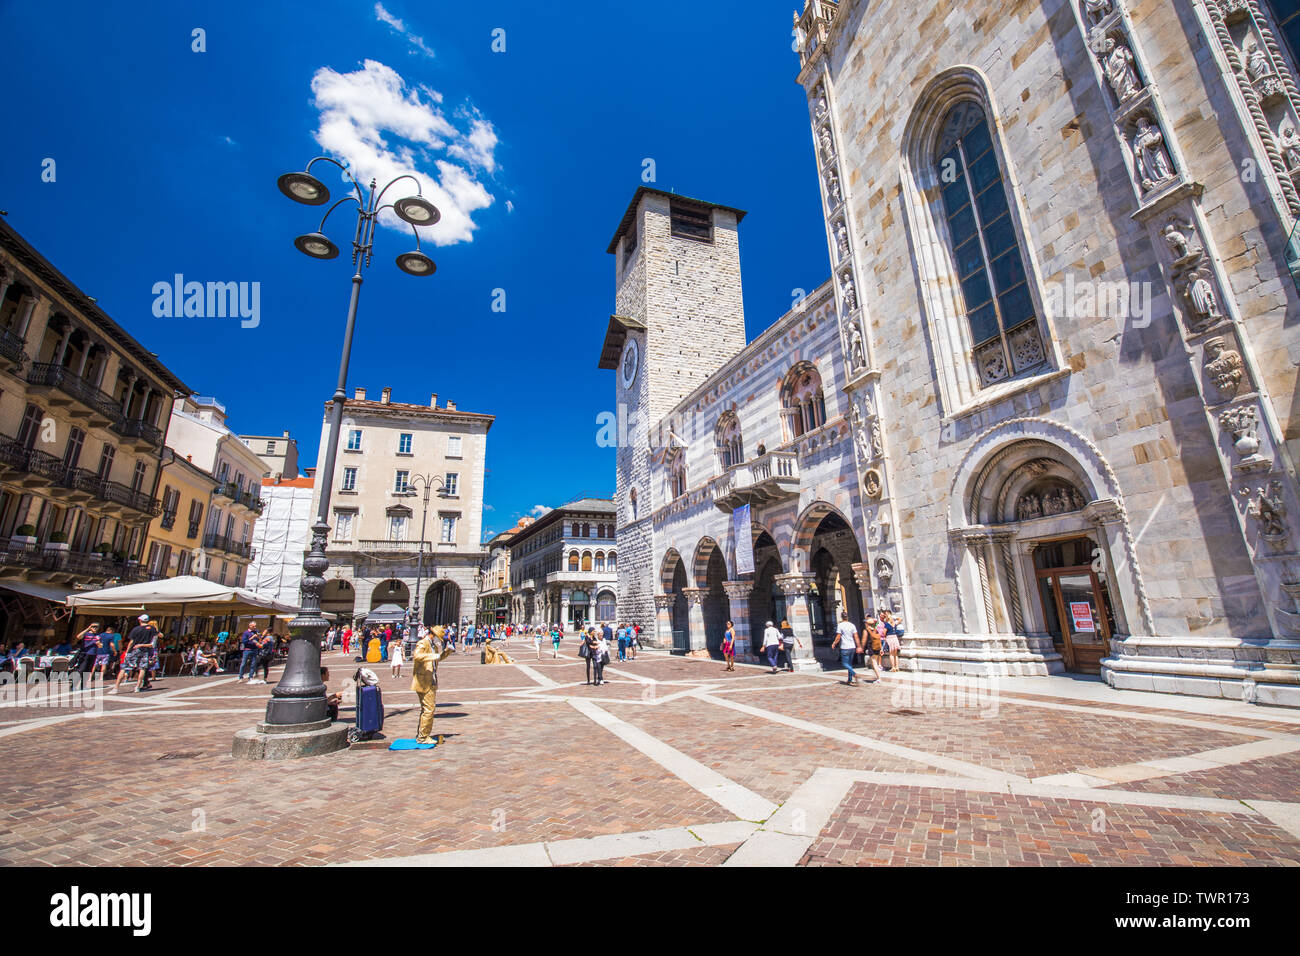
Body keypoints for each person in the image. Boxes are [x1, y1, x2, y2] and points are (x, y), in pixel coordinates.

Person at [411, 625, 454, 745]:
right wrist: (432, 656)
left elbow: (437, 659)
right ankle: (423, 737)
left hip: (431, 680)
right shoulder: (423, 643)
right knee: (429, 709)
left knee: (427, 709)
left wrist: (447, 652)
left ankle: (422, 734)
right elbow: (417, 656)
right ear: (433, 635)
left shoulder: (433, 646)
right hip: (423, 680)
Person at [115, 614, 159, 694]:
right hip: (145, 651)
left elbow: (131, 642)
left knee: (124, 668)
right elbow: (153, 643)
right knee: (142, 669)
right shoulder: (152, 629)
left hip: (134, 650)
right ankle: (137, 687)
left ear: (139, 620)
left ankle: (116, 688)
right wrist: (143, 645)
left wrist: (127, 652)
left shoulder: (136, 629)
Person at [832, 611, 861, 686]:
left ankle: (854, 674)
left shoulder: (840, 625)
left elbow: (838, 637)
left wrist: (834, 643)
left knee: (845, 663)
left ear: (842, 617)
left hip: (845, 647)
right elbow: (856, 637)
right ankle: (850, 679)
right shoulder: (852, 625)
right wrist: (858, 646)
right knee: (850, 664)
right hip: (852, 646)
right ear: (847, 617)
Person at [863, 615, 885, 682]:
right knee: (875, 663)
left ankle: (879, 678)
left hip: (872, 647)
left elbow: (864, 640)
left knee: (874, 663)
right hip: (877, 647)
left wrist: (861, 647)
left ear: (867, 624)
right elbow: (879, 639)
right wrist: (881, 649)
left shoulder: (867, 630)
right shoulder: (875, 630)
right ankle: (878, 677)